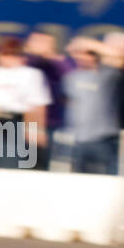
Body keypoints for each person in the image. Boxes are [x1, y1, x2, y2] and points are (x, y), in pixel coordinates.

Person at [0, 36, 50, 170]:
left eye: (14, 55)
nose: (10, 58)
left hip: (18, 123)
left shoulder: (31, 74)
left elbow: (38, 105)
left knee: (17, 165)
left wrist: (36, 130)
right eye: (6, 54)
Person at [62, 36, 123, 175]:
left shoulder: (108, 75)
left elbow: (120, 58)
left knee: (107, 181)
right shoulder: (71, 77)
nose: (83, 57)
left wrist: (91, 45)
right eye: (80, 54)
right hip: (78, 139)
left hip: (103, 139)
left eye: (88, 54)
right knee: (79, 181)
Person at [23, 29, 71, 171]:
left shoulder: (56, 64)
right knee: (17, 167)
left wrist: (51, 55)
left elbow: (70, 75)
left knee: (41, 168)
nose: (40, 46)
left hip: (49, 124)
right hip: (21, 123)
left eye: (45, 43)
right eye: (36, 41)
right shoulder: (24, 61)